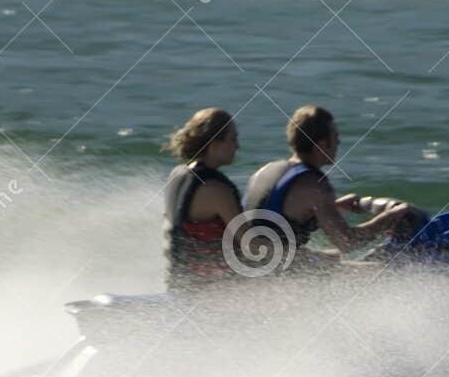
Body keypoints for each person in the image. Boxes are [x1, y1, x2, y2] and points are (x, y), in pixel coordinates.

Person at [241, 105, 427, 270]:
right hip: (275, 271)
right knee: (380, 271)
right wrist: (389, 217)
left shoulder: (268, 170)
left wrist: (332, 207)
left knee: (330, 257)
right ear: (322, 144)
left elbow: (278, 211)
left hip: (251, 261)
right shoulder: (315, 185)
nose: (338, 143)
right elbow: (348, 242)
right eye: (335, 137)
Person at [161, 108, 243, 289]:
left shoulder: (177, 176)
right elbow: (251, 244)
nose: (237, 146)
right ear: (214, 144)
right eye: (232, 139)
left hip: (178, 285)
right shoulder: (216, 189)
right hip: (213, 292)